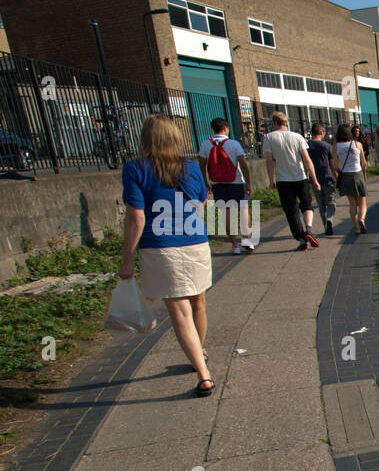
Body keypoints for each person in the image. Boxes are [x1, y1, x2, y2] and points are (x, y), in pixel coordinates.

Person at [118, 114, 214, 397]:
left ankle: (203, 374)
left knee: (179, 310)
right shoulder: (192, 167)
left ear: (146, 138)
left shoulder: (135, 169)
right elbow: (201, 200)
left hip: (160, 246)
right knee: (198, 302)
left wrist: (126, 261)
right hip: (195, 241)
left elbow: (136, 217)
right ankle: (200, 351)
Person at [262, 111, 320, 251]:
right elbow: (307, 159)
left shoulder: (269, 138)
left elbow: (269, 161)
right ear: (286, 123)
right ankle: (309, 229)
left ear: (275, 123)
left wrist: (271, 180)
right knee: (306, 204)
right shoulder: (297, 137)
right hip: (300, 176)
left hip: (283, 179)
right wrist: (315, 179)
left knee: (291, 210)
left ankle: (301, 239)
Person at [198, 117, 252, 255]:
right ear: (225, 128)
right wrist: (249, 182)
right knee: (243, 209)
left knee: (226, 213)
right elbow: (243, 164)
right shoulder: (233, 144)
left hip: (218, 184)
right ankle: (245, 239)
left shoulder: (205, 145)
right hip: (236, 182)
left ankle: (234, 246)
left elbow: (202, 166)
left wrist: (206, 182)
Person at [335, 123, 369, 233]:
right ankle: (362, 219)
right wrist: (364, 174)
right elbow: (363, 162)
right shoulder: (357, 144)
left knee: (352, 203)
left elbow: (335, 165)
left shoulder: (336, 146)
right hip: (357, 173)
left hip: (345, 175)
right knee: (362, 202)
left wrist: (338, 174)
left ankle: (356, 228)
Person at [306, 122, 338, 236]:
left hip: (314, 179)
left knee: (321, 204)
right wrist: (337, 176)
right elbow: (332, 164)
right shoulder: (327, 146)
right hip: (327, 177)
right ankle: (330, 219)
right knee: (331, 201)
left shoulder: (307, 145)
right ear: (321, 132)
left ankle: (326, 225)